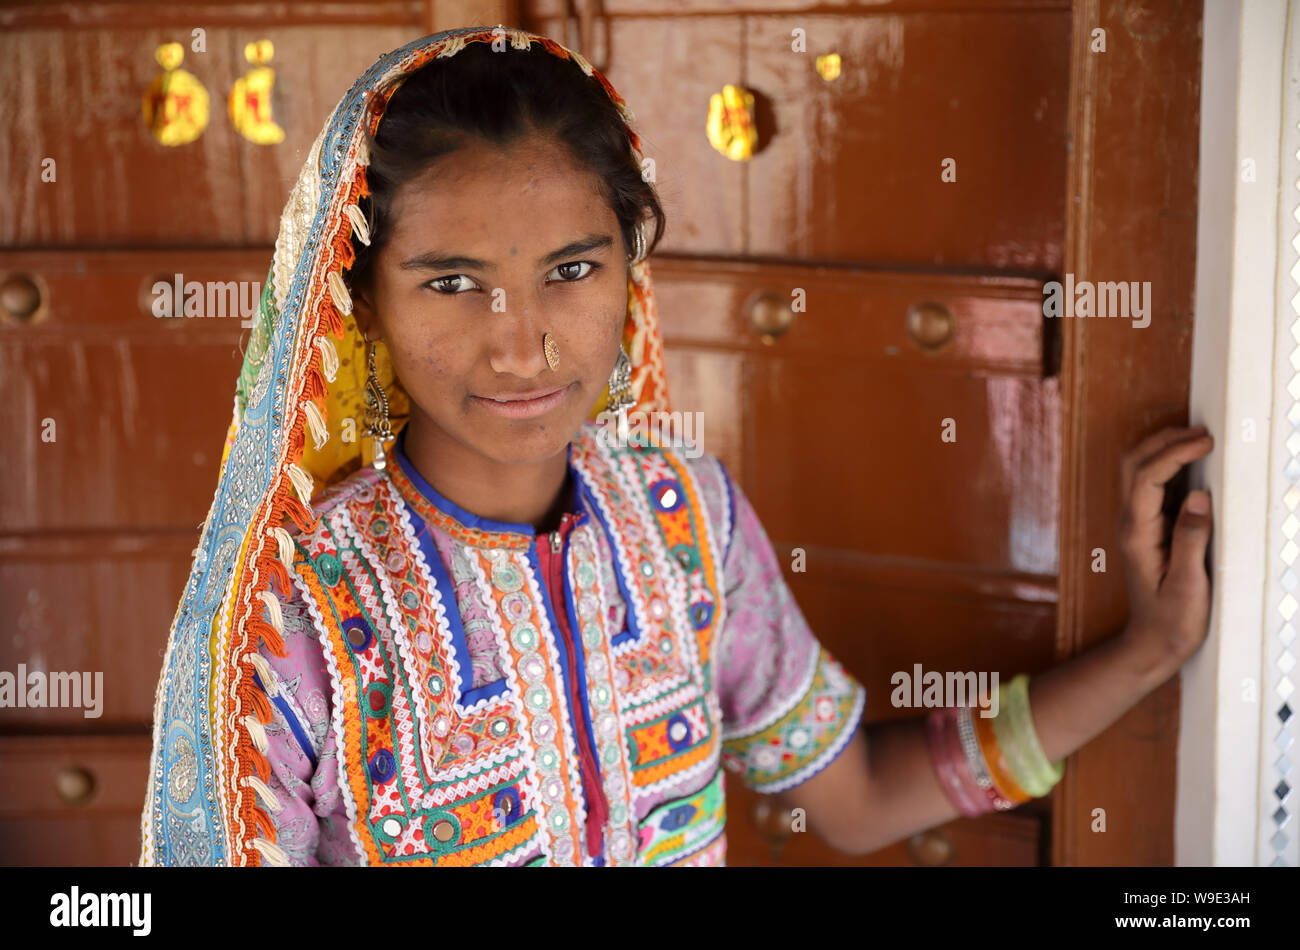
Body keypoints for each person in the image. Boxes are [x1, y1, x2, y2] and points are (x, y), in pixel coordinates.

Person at [139, 25, 1215, 867]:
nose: (523, 344)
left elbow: (855, 797)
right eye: (453, 282)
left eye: (571, 268)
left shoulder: (682, 516)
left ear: (629, 272)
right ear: (363, 300)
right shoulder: (293, 610)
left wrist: (1151, 647)